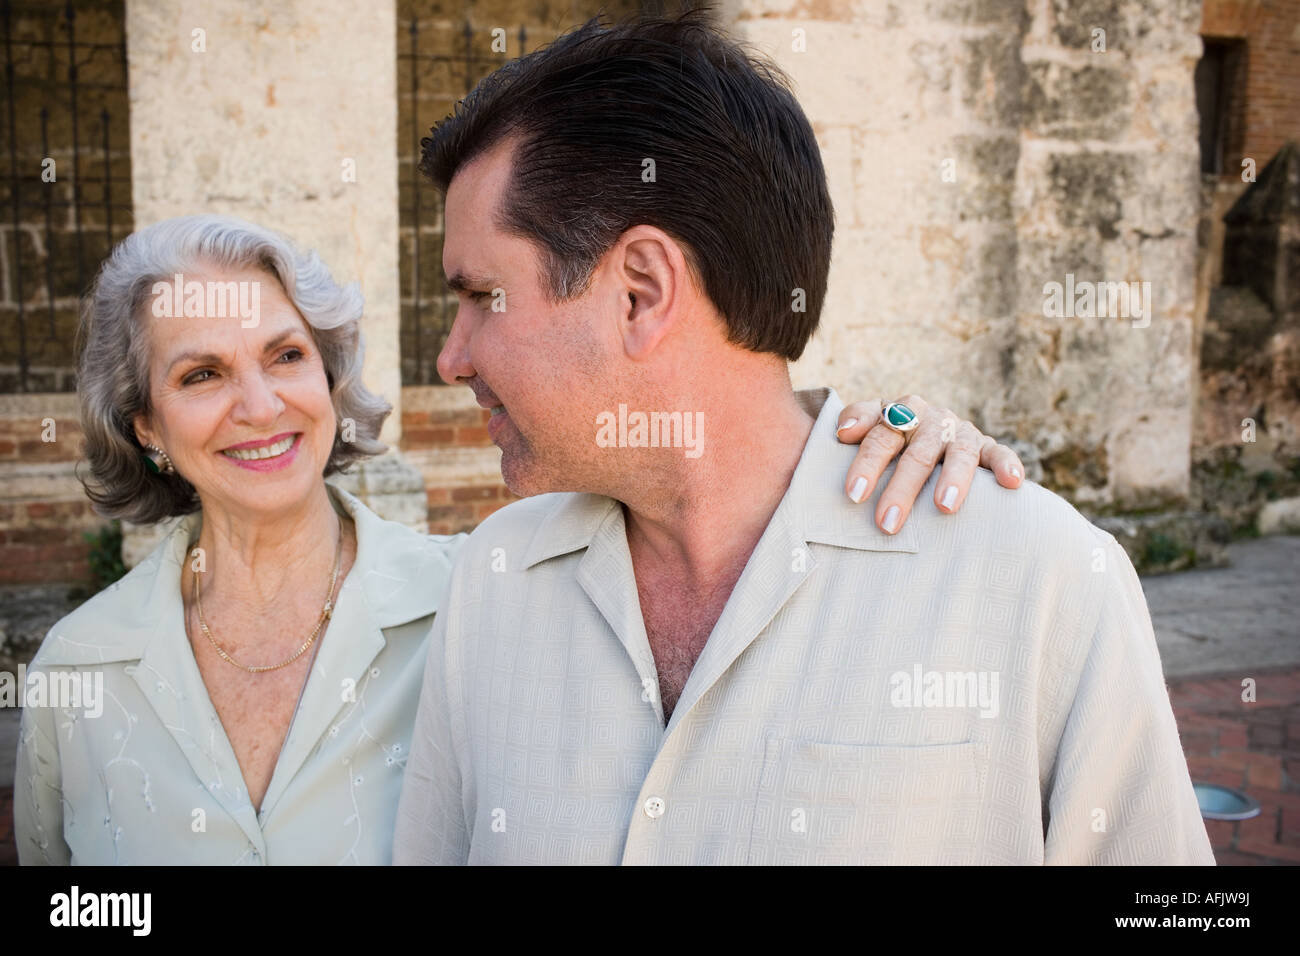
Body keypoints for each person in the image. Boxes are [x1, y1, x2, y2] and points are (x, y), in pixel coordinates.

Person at [392, 10, 1214, 865]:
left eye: (482, 296)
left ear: (640, 291)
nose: (453, 356)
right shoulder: (491, 586)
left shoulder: (1041, 582)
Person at [12, 214, 1017, 864]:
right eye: (201, 374)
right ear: (143, 423)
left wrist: (888, 430)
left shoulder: (489, 600)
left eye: (286, 355)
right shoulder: (81, 669)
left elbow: (707, 466)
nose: (260, 404)